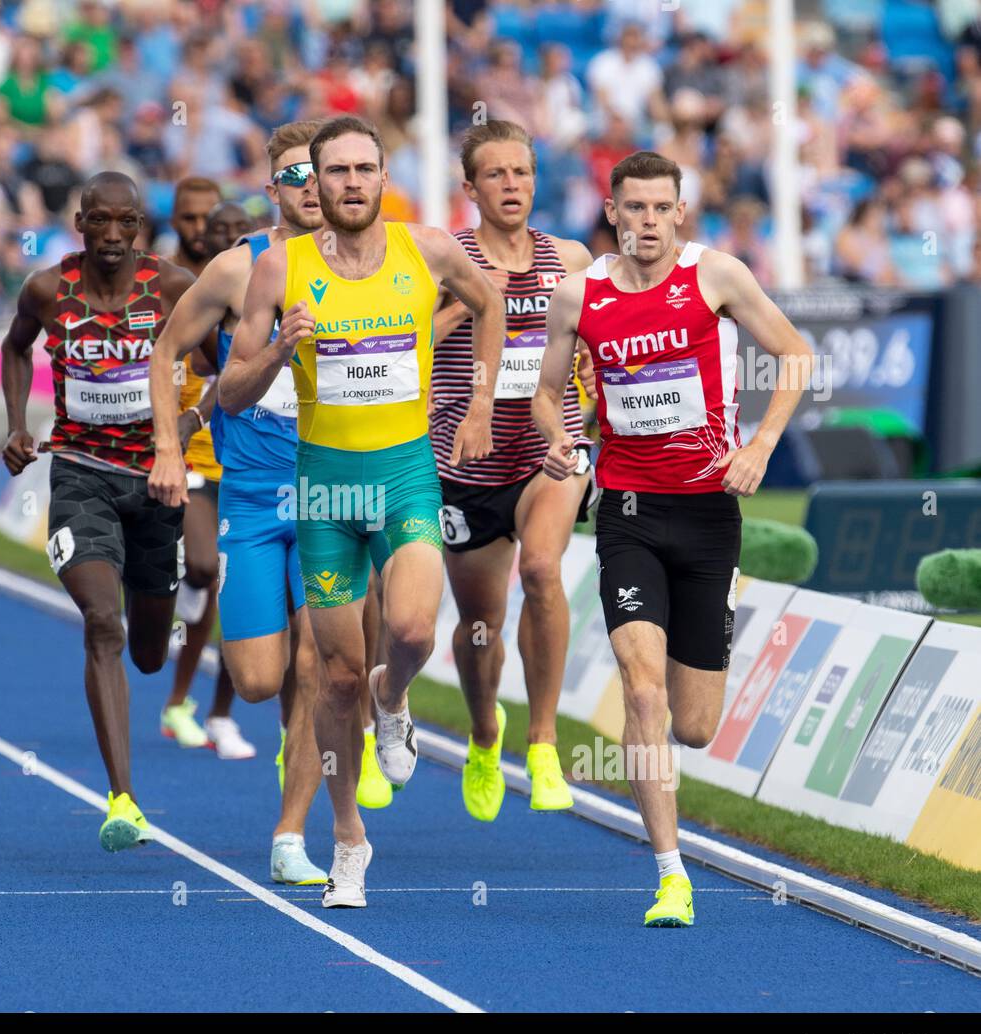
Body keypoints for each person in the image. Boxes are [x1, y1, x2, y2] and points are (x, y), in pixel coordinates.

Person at [216, 116, 505, 907]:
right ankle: (348, 840)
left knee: (410, 631)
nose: (349, 182)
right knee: (334, 679)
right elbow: (227, 391)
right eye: (333, 170)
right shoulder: (280, 268)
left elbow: (493, 305)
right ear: (311, 180)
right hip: (327, 490)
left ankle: (398, 695)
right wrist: (278, 348)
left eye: (364, 168)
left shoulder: (430, 250)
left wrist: (478, 405)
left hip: (406, 473)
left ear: (384, 176)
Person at [534, 151, 812, 927]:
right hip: (625, 510)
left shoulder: (715, 276)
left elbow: (795, 353)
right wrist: (560, 439)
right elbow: (546, 395)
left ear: (680, 213)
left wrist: (757, 446)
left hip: (709, 512)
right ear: (612, 214)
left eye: (662, 208)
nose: (648, 222)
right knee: (641, 686)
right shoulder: (577, 295)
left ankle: (710, 631)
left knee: (691, 724)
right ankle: (670, 873)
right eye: (634, 208)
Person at [150, 121, 359, 884]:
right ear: (274, 189)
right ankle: (289, 741)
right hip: (250, 496)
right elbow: (168, 351)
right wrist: (171, 445)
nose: (313, 187)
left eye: (324, 173)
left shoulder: (378, 261)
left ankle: (291, 834)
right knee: (261, 678)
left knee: (323, 663)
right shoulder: (239, 268)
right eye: (296, 177)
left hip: (337, 494)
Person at [0, 172, 201, 853]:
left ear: (140, 227)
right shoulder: (47, 290)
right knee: (100, 620)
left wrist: (198, 416)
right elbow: (13, 348)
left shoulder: (171, 288)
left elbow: (218, 356)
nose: (113, 236)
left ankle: (157, 632)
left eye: (126, 223)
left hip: (156, 483)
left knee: (148, 651)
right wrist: (15, 424)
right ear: (80, 222)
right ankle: (122, 798)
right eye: (101, 222)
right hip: (80, 475)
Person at [430, 120, 595, 821]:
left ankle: (545, 742)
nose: (511, 186)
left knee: (543, 570)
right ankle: (485, 733)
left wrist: (593, 358)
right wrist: (473, 299)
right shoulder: (443, 257)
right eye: (495, 175)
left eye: (521, 173)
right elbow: (401, 343)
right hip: (466, 459)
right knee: (480, 627)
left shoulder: (572, 257)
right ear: (470, 188)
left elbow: (601, 336)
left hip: (551, 448)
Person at [157, 176, 244, 755]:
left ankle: (210, 712)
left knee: (241, 594)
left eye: (210, 224)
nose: (201, 233)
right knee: (204, 569)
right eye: (191, 223)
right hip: (191, 458)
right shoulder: (169, 289)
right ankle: (179, 599)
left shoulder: (263, 288)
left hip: (251, 464)